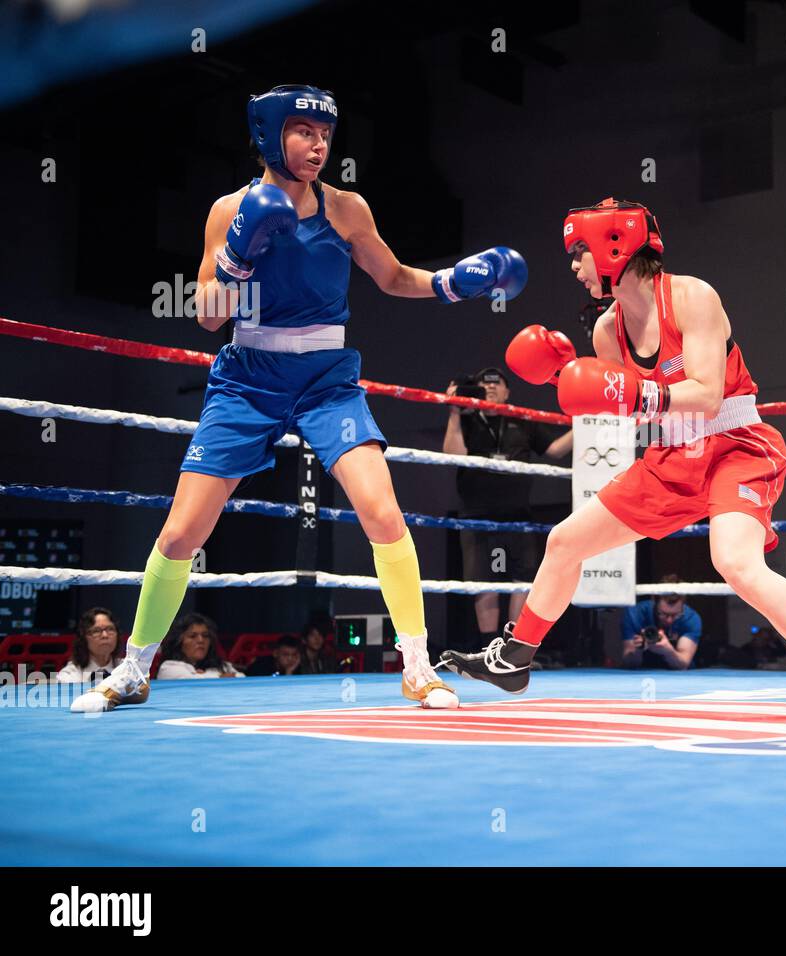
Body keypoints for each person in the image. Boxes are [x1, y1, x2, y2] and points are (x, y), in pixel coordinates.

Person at [72, 85, 526, 713]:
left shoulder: (346, 210)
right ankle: (133, 670)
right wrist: (237, 253)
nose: (318, 146)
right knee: (181, 533)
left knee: (383, 512)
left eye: (325, 135)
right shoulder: (228, 208)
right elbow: (206, 315)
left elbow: (393, 277)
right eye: (304, 132)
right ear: (268, 134)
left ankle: (418, 668)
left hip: (326, 379)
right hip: (247, 377)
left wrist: (454, 283)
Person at [440, 198, 786, 717]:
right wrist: (567, 378)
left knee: (735, 561)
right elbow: (629, 409)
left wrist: (638, 396)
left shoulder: (692, 297)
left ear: (614, 246)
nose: (574, 266)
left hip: (735, 444)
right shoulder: (608, 330)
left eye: (580, 252)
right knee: (564, 542)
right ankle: (514, 659)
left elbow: (707, 394)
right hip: (671, 454)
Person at [443, 367, 572, 648]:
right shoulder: (466, 419)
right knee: (483, 582)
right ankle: (489, 647)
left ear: (507, 391)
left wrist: (587, 424)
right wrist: (454, 412)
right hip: (477, 516)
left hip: (518, 515)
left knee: (522, 580)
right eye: (483, 384)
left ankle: (513, 648)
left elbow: (555, 450)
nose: (489, 387)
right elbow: (453, 456)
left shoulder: (522, 419)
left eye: (496, 383)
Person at [620, 577, 701, 670]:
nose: (669, 620)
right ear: (654, 601)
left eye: (675, 615)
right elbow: (629, 664)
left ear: (683, 605)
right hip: (642, 674)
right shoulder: (635, 614)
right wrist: (639, 649)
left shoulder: (691, 619)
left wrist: (668, 651)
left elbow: (683, 665)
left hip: (678, 676)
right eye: (663, 614)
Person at [156, 613, 243, 679]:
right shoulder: (168, 668)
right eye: (192, 636)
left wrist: (205, 675)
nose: (201, 640)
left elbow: (241, 677)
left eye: (205, 635)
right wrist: (221, 676)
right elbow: (195, 683)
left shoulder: (222, 666)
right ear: (178, 642)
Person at [56, 608, 124, 685]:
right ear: (83, 638)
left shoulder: (128, 670)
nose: (105, 635)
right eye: (96, 631)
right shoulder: (69, 676)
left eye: (110, 629)